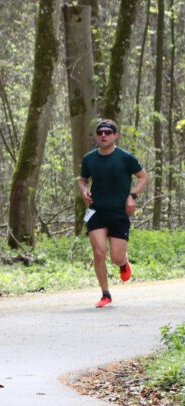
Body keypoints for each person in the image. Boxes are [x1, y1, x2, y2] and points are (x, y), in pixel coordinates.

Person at [78, 119, 148, 308]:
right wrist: (84, 190)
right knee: (99, 252)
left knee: (116, 257)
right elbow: (83, 180)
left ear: (115, 135)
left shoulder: (125, 157)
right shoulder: (89, 159)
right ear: (96, 136)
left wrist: (132, 196)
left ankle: (124, 263)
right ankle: (105, 294)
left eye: (108, 132)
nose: (103, 135)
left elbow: (143, 176)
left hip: (119, 212)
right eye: (100, 132)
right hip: (96, 211)